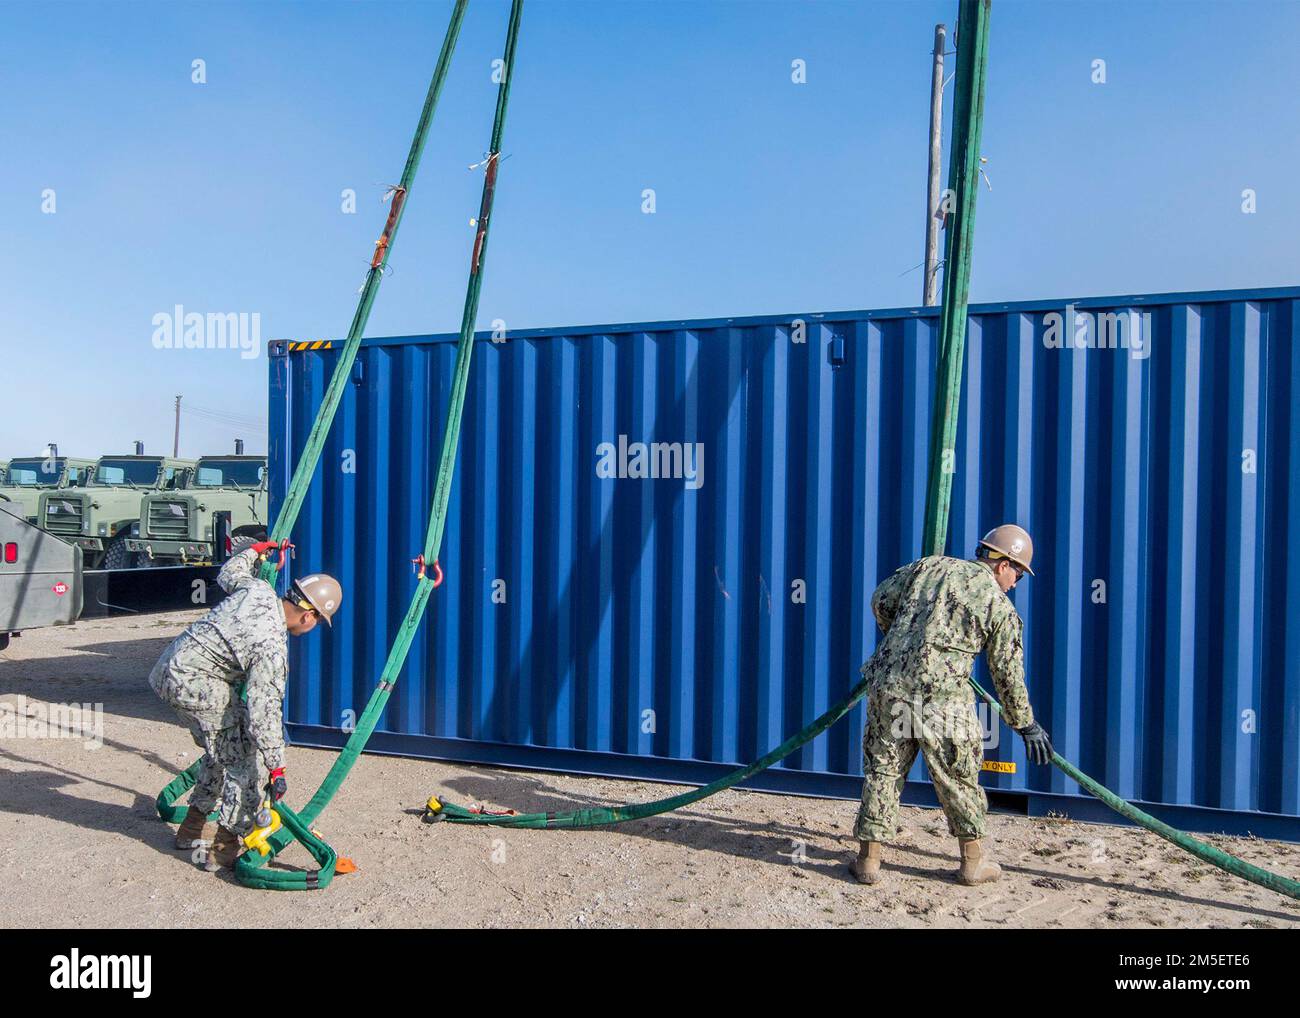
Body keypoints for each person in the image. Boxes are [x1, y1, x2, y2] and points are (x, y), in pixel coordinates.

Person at [851, 524, 1053, 886]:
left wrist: (905, 643)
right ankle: (972, 863)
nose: (1016, 583)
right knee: (958, 776)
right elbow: (1007, 674)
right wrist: (1026, 724)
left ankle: (869, 860)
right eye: (1018, 574)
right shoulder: (997, 605)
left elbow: (881, 600)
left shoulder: (929, 567)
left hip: (889, 685)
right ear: (1002, 563)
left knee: (884, 768)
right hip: (942, 701)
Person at [149, 541, 341, 871]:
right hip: (195, 684)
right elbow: (264, 711)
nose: (312, 629)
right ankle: (223, 847)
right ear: (309, 616)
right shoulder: (272, 647)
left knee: (223, 746)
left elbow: (229, 573)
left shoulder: (259, 589)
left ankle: (191, 826)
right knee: (244, 762)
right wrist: (276, 765)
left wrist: (255, 550)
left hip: (167, 669)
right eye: (317, 623)